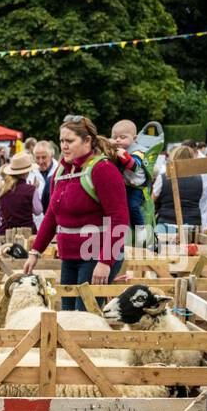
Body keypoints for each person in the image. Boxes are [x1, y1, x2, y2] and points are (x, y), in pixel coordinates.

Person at [24, 115, 128, 310]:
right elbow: (52, 215)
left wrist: (106, 261)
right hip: (69, 256)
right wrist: (35, 251)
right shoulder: (61, 171)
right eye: (62, 141)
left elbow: (119, 218)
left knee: (85, 318)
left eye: (70, 141)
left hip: (95, 254)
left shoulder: (103, 169)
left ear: (87, 141)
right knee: (67, 314)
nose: (64, 146)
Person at [152, 144, 207, 236]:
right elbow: (203, 203)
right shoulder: (200, 179)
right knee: (189, 250)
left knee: (164, 250)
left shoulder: (163, 177)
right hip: (192, 224)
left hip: (166, 224)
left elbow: (152, 201)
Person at [109, 120, 152, 239]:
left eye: (122, 137)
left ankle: (140, 228)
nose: (118, 140)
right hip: (124, 185)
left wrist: (122, 154)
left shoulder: (138, 151)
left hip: (137, 187)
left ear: (134, 138)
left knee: (132, 205)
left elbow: (134, 166)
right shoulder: (116, 149)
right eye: (115, 137)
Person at [0, 152, 41, 235]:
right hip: (28, 235)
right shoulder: (31, 190)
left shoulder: (0, 190)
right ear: (26, 172)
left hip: (5, 236)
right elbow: (38, 211)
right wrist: (35, 190)